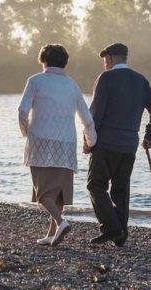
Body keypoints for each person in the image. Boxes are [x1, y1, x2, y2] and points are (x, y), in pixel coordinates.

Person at [18, 44, 96, 247]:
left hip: (40, 139)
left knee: (42, 190)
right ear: (65, 62)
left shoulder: (35, 81)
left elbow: (22, 110)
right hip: (66, 141)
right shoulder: (71, 84)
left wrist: (27, 133)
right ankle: (52, 233)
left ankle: (61, 223)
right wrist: (91, 140)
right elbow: (86, 117)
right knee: (59, 190)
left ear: (42, 60)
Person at [86, 42, 151, 247]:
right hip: (129, 144)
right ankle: (121, 234)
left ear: (110, 59)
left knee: (95, 185)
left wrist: (88, 141)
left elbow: (95, 113)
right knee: (121, 188)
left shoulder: (106, 78)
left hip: (106, 143)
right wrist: (149, 135)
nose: (104, 63)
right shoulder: (140, 80)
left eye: (105, 59)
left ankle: (112, 228)